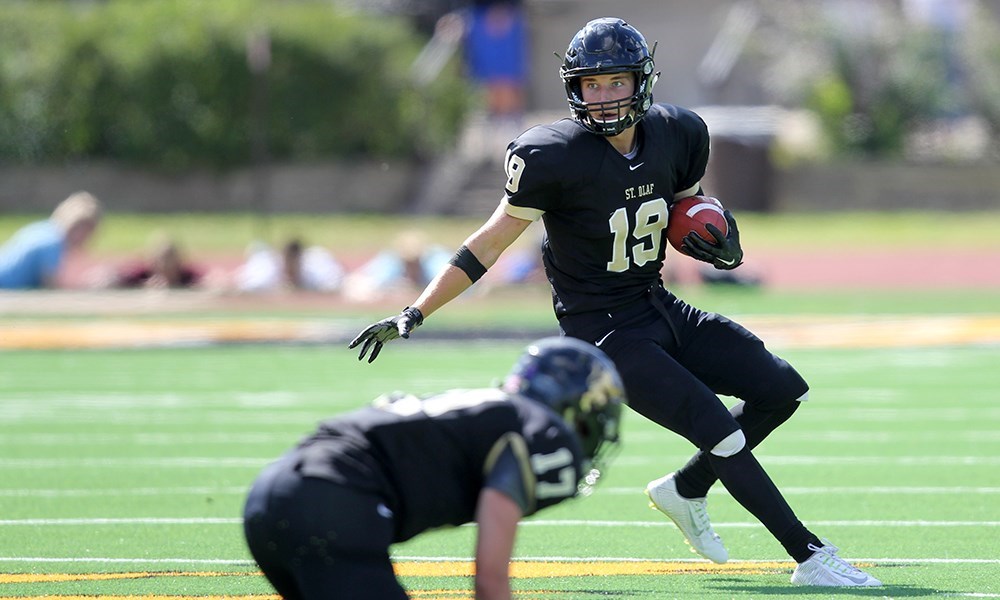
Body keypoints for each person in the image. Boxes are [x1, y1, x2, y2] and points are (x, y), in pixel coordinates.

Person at [349, 17, 881, 587]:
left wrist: (721, 245)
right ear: (573, 89)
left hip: (657, 303)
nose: (602, 97)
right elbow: (489, 243)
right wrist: (415, 311)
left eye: (614, 82)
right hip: (600, 330)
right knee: (717, 429)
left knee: (779, 388)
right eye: (591, 85)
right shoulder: (551, 155)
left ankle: (686, 488)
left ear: (641, 82)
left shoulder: (679, 132)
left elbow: (689, 211)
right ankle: (809, 556)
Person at [243, 337, 625, 599]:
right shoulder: (541, 433)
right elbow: (490, 580)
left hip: (269, 497)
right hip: (331, 502)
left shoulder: (486, 409)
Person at [0, 191, 102, 289]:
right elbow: (51, 284)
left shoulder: (44, 228)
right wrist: (89, 285)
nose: (84, 236)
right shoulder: (52, 243)